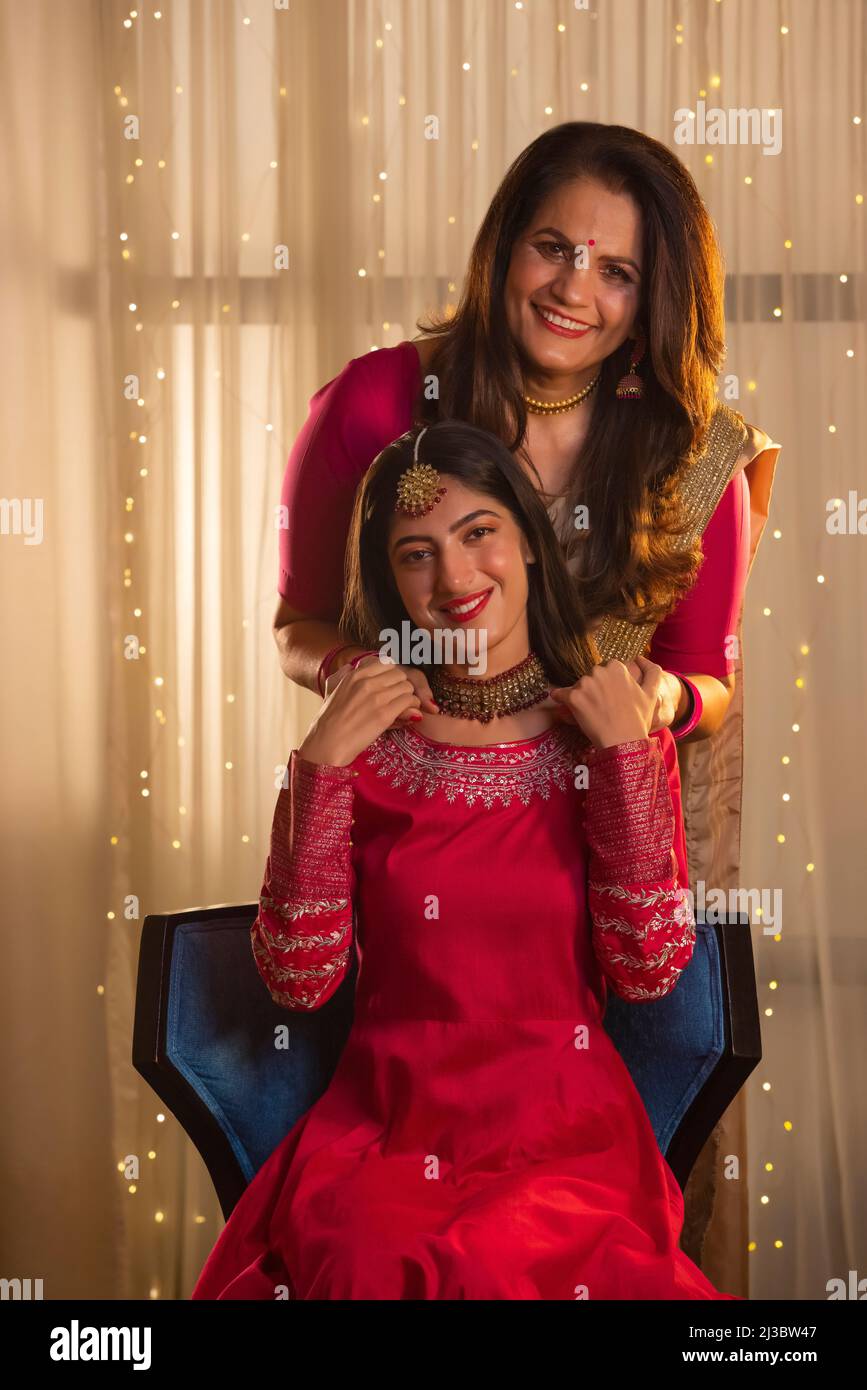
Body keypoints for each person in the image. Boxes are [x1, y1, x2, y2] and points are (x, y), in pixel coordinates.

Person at [192, 421, 741, 1300]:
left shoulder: (603, 729)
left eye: (477, 533)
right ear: (389, 582)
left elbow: (647, 971)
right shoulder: (362, 749)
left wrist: (623, 763)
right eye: (416, 554)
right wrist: (322, 768)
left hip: (566, 1136)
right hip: (385, 1133)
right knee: (372, 1266)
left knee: (507, 1264)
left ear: (526, 536)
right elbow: (299, 981)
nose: (452, 579)